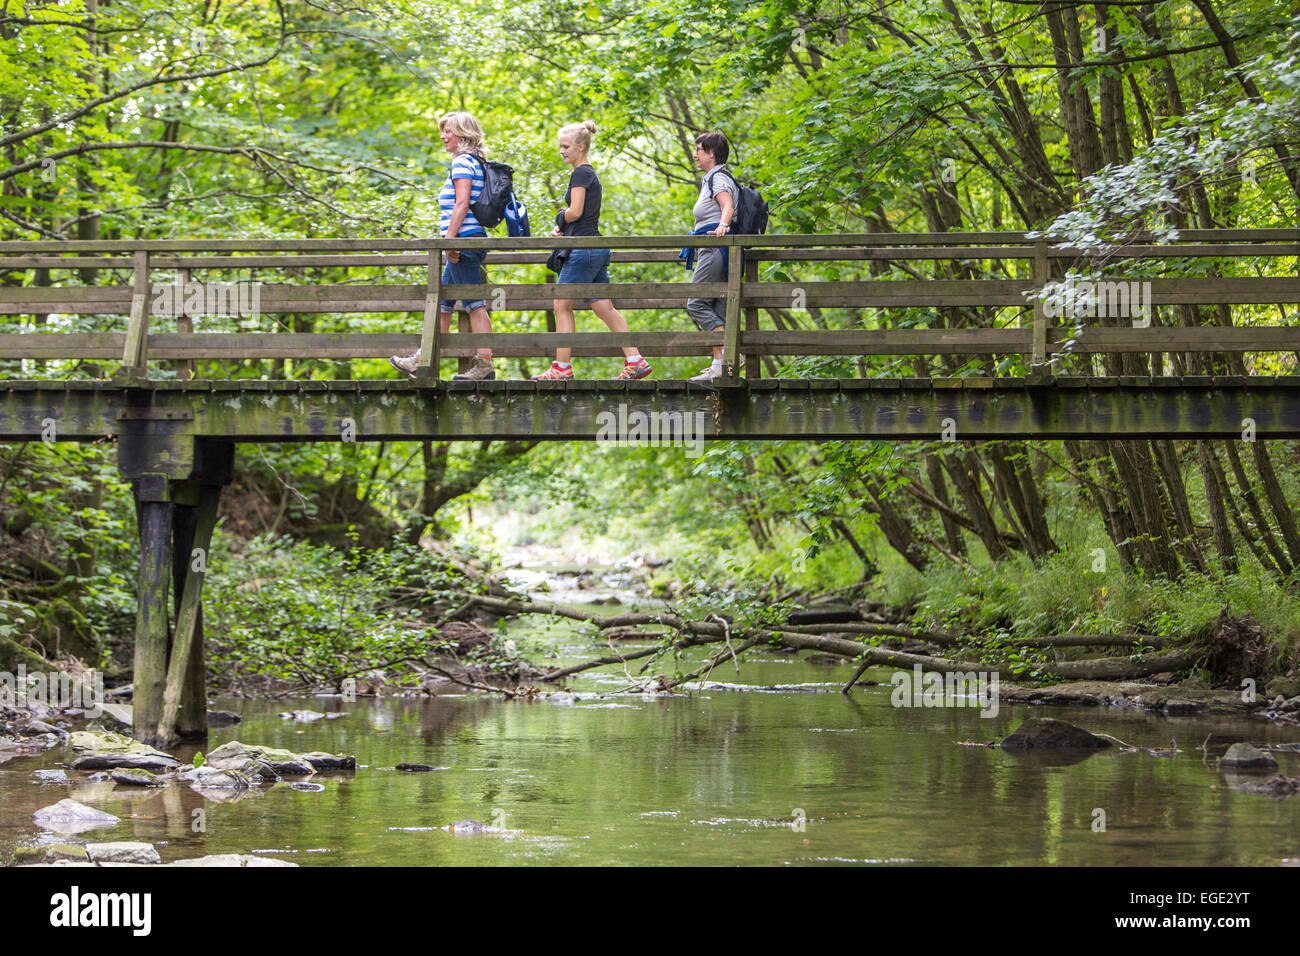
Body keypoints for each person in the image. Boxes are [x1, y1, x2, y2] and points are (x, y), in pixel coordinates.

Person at [532, 120, 652, 381]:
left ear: (581, 147)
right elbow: (581, 216)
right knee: (603, 307)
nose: (562, 151)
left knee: (561, 304)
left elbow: (574, 212)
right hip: (594, 248)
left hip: (584, 249)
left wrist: (560, 218)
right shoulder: (588, 173)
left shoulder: (581, 173)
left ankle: (561, 368)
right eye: (560, 146)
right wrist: (564, 227)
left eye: (566, 146)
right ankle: (636, 360)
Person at [391, 111, 495, 380]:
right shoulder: (474, 161)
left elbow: (461, 204)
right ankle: (422, 360)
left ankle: (485, 365)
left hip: (462, 243)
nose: (443, 136)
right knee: (442, 304)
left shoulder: (462, 163)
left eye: (448, 131)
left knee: (474, 304)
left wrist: (449, 240)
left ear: (462, 133)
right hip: (465, 241)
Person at [683, 131, 739, 382]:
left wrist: (723, 225)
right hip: (713, 248)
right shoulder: (710, 179)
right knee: (715, 306)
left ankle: (728, 354)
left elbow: (727, 205)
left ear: (711, 153)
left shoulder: (718, 178)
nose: (695, 155)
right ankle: (720, 364)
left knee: (696, 302)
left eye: (699, 150)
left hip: (716, 247)